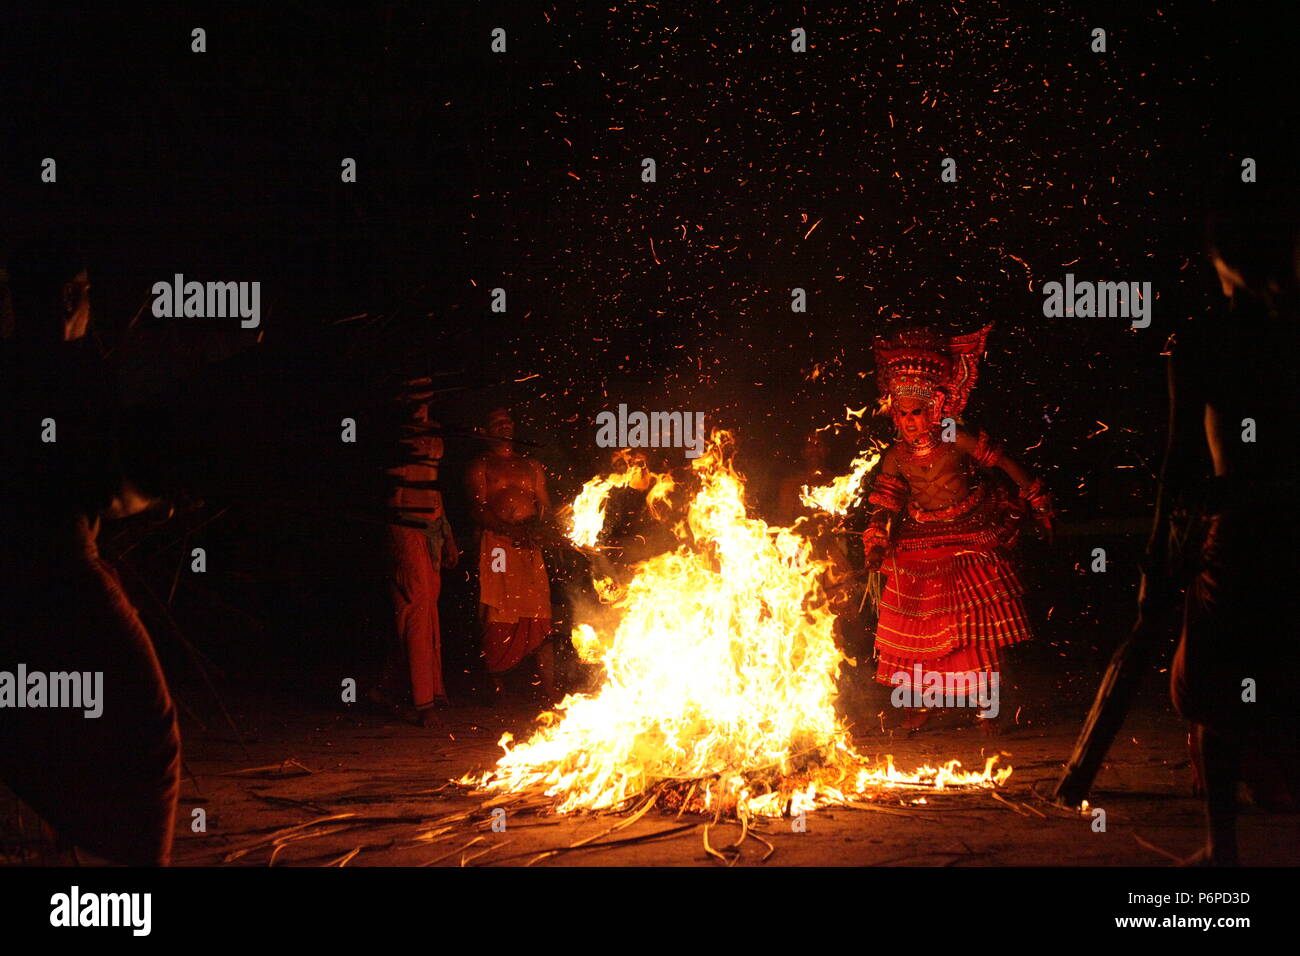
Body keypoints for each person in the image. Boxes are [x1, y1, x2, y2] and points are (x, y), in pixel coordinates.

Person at [0, 236, 182, 864]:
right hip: (59, 574)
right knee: (149, 738)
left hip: (33, 576)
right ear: (67, 297)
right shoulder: (58, 371)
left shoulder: (36, 364)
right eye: (80, 293)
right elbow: (97, 488)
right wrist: (157, 487)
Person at [1140, 195, 1300, 864]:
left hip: (1241, 531)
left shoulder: (1204, 340)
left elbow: (1179, 461)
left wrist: (1158, 557)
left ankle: (1223, 848)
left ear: (1220, 262)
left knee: (1214, 684)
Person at [862, 325, 1052, 735]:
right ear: (896, 414)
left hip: (970, 531)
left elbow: (1003, 461)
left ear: (933, 408)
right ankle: (921, 706)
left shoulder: (954, 437)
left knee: (973, 625)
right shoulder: (895, 455)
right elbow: (884, 505)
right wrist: (876, 542)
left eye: (917, 412)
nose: (911, 422)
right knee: (916, 624)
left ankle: (988, 706)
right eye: (904, 414)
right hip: (919, 536)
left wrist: (1037, 498)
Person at [380, 400, 459, 727]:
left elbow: (434, 486)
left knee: (428, 613)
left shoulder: (435, 432)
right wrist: (399, 538)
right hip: (407, 528)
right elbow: (391, 492)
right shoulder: (396, 436)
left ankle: (394, 689)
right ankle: (422, 702)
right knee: (416, 609)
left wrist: (447, 532)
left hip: (433, 528)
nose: (419, 398)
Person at [467, 408, 555, 696]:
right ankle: (496, 686)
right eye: (498, 422)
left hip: (529, 546)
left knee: (540, 613)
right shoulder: (481, 464)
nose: (506, 426)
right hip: (497, 546)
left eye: (509, 421)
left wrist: (541, 531)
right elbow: (478, 509)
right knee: (497, 610)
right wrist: (509, 529)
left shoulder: (532, 466)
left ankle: (549, 688)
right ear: (484, 430)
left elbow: (545, 506)